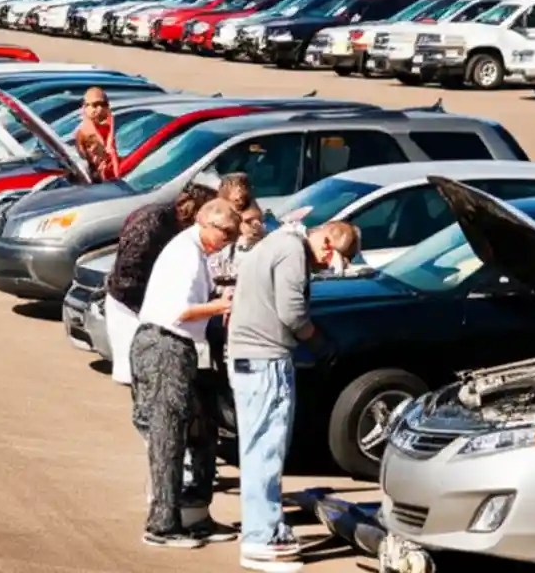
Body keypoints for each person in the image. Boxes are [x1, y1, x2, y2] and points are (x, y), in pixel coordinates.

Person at [226, 221, 358, 572]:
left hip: (250, 359)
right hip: (264, 362)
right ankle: (262, 537)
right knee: (265, 452)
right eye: (329, 262)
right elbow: (293, 312)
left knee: (257, 450)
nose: (322, 268)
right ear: (328, 244)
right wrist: (319, 344)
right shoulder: (292, 252)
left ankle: (263, 528)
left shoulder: (275, 243)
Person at [130, 198, 240, 549]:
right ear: (205, 222)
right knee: (168, 435)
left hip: (177, 347)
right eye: (224, 232)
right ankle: (162, 525)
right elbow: (179, 311)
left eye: (232, 235)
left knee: (200, 428)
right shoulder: (186, 255)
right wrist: (221, 305)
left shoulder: (196, 253)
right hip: (164, 345)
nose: (227, 240)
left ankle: (192, 512)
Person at [107, 184, 216, 386]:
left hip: (147, 304)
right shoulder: (152, 223)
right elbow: (127, 275)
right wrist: (155, 310)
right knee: (140, 374)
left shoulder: (178, 225)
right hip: (129, 305)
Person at [75, 87, 119, 181]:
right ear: (85, 107)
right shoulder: (82, 133)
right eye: (95, 105)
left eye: (103, 105)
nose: (100, 109)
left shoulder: (111, 129)